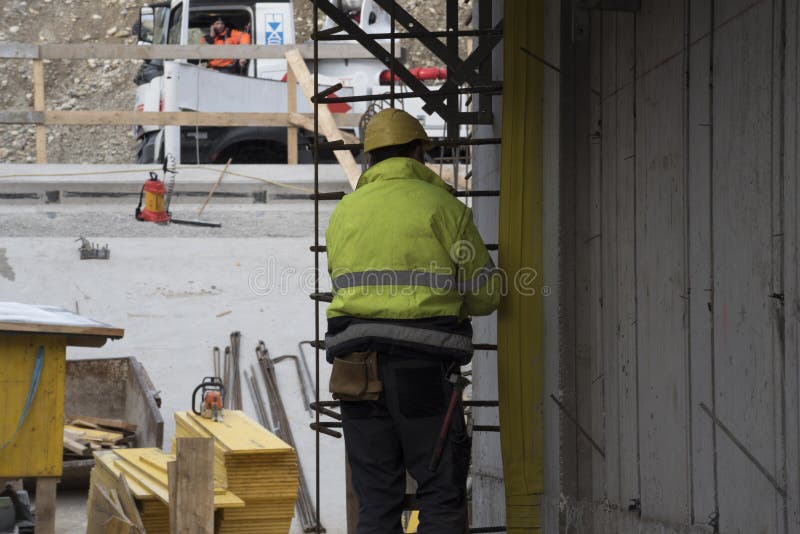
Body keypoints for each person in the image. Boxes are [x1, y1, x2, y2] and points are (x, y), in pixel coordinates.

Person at [324, 108, 502, 533]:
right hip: (423, 369)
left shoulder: (345, 212)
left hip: (355, 370)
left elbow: (340, 281)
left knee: (375, 499)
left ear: (369, 158)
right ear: (419, 152)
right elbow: (486, 296)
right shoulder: (444, 208)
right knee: (440, 493)